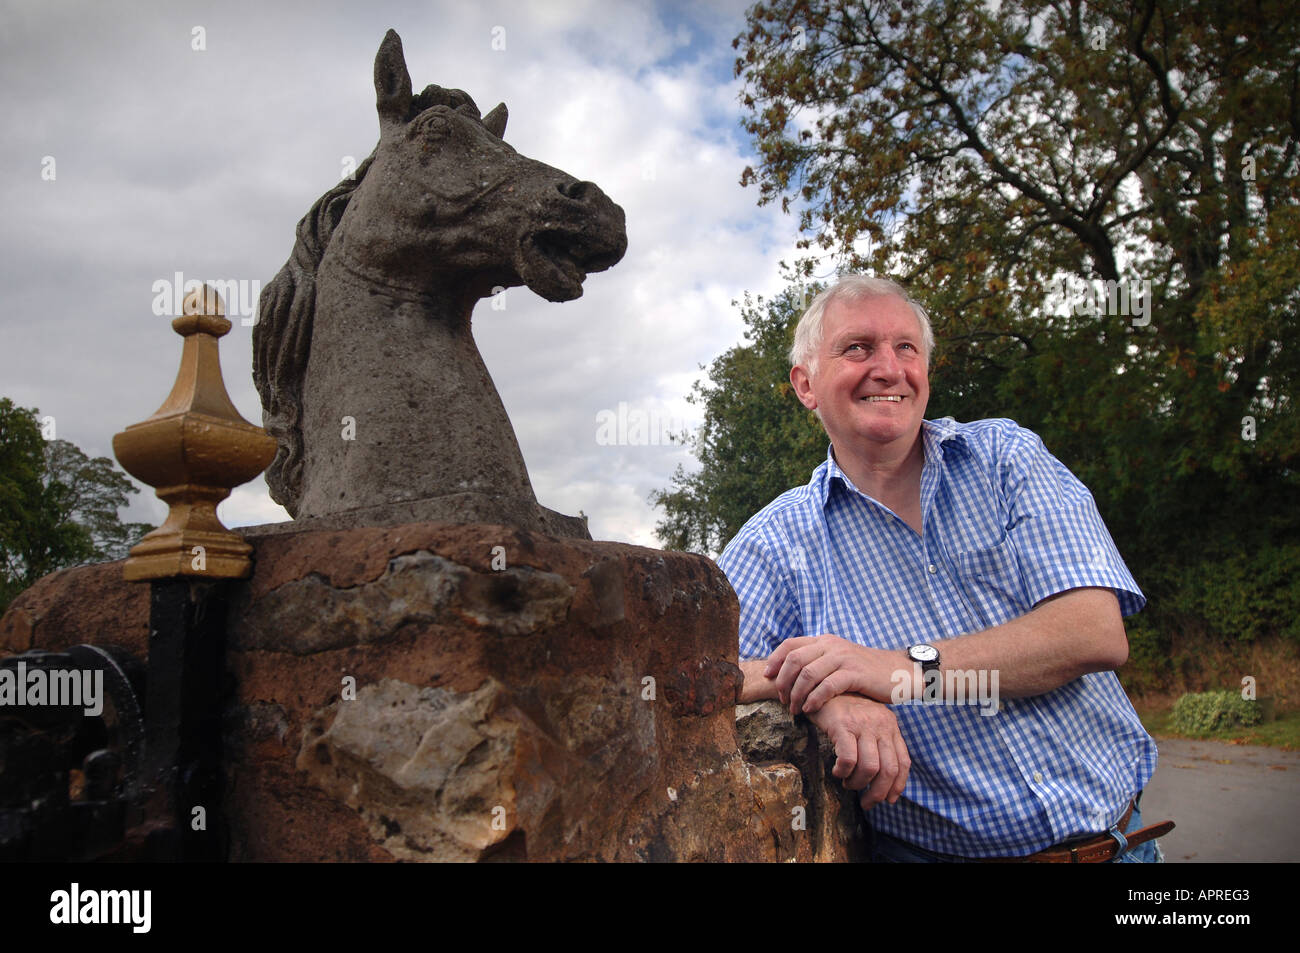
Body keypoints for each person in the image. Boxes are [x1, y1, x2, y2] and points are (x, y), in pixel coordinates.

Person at [717, 275, 1172, 862]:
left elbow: (1091, 633)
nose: (888, 367)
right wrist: (826, 694)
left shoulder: (1006, 457)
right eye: (858, 348)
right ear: (805, 384)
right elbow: (708, 669)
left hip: (1122, 849)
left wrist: (893, 672)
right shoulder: (776, 542)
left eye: (906, 348)